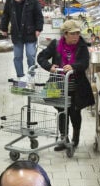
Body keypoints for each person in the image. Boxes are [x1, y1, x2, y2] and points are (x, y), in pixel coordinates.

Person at [36, 20, 95, 152]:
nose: (76, 36)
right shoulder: (55, 45)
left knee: (75, 112)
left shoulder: (82, 46)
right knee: (62, 112)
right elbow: (41, 57)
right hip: (58, 85)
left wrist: (73, 66)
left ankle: (75, 138)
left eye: (77, 33)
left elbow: (84, 63)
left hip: (76, 86)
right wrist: (49, 66)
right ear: (65, 34)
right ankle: (64, 139)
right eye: (73, 34)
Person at [0, 0, 43, 83]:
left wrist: (38, 29)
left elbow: (39, 16)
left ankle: (31, 76)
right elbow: (5, 15)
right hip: (16, 33)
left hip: (30, 32)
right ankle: (21, 77)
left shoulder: (32, 1)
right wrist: (4, 28)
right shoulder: (10, 1)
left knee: (30, 54)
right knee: (17, 56)